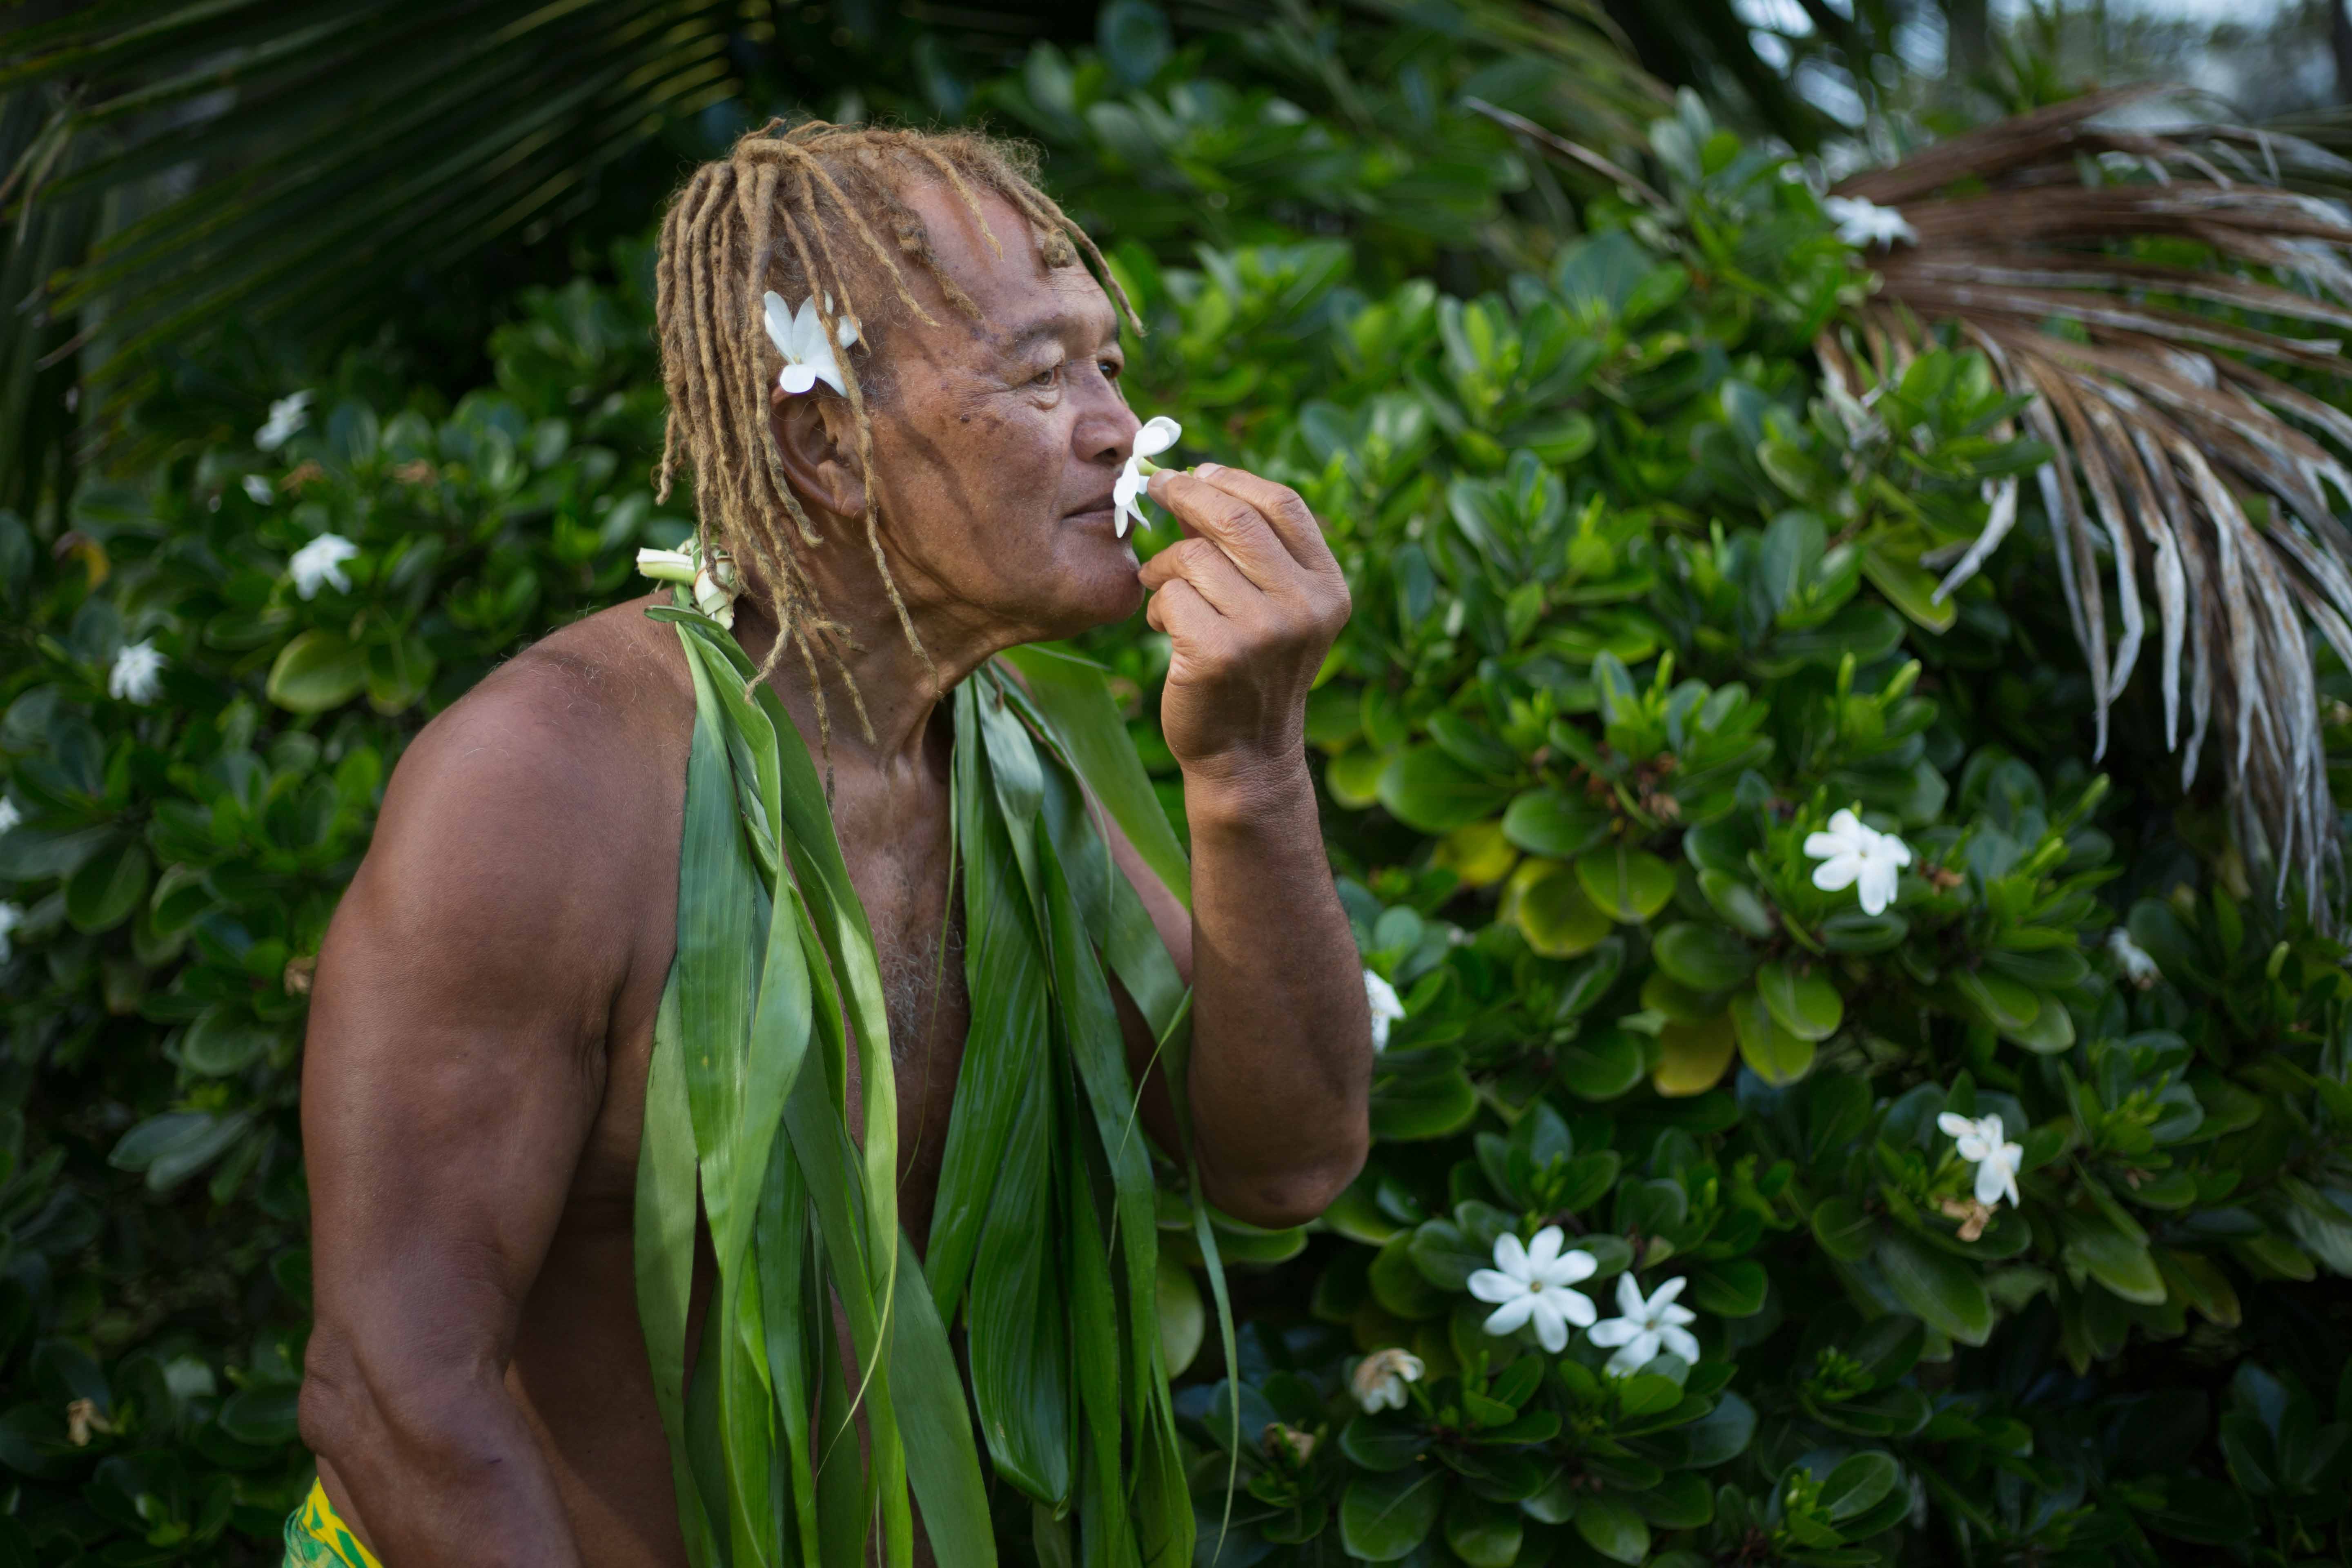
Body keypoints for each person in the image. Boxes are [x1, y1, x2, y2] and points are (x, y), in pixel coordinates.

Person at [291, 120, 1372, 1568]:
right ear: (826, 446)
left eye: (1109, 367)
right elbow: (392, 1395)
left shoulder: (1006, 765)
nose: (1119, 426)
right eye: (1040, 375)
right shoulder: (544, 783)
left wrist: (1250, 767)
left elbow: (1282, 1164)